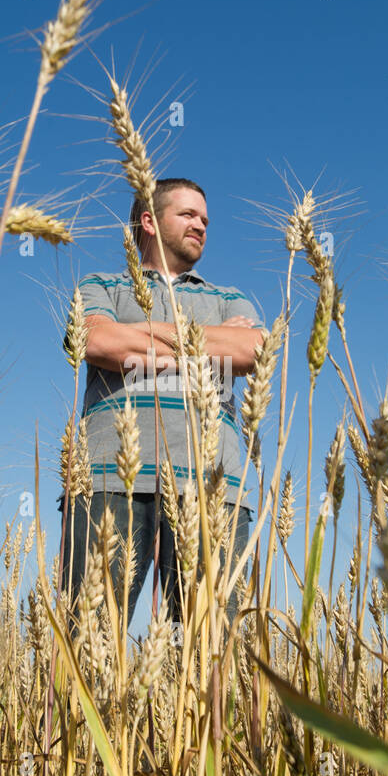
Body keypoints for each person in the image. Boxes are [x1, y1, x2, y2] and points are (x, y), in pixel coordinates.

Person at [59, 177, 267, 636]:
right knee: (87, 640)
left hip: (214, 483)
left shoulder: (229, 296)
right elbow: (94, 340)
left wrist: (140, 340)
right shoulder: (102, 286)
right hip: (107, 480)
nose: (202, 225)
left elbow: (254, 350)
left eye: (206, 220)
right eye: (188, 215)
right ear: (150, 221)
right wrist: (205, 343)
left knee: (213, 650)